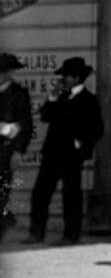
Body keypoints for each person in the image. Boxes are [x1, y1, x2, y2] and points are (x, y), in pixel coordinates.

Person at [28, 56, 102, 245]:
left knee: (71, 195)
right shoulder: (60, 96)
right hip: (52, 152)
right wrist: (52, 97)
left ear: (77, 78)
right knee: (40, 193)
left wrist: (81, 144)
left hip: (71, 155)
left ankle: (71, 235)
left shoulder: (89, 100)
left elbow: (97, 129)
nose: (63, 80)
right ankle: (36, 233)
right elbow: (45, 117)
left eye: (66, 76)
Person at [0, 52, 36, 238]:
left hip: (5, 151)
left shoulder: (19, 94)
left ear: (8, 73)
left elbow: (26, 126)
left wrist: (18, 151)